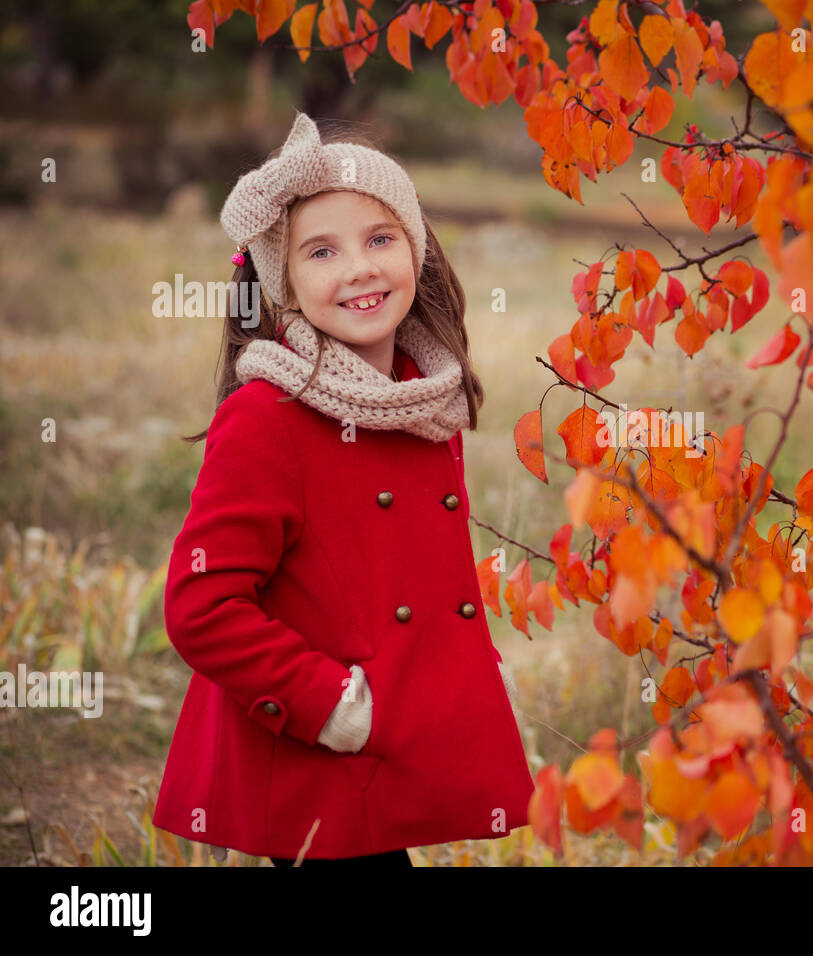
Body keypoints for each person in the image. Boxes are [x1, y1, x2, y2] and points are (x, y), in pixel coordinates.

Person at [151, 111, 533, 867]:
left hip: (386, 750)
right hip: (315, 756)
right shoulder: (267, 417)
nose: (359, 268)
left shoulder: (423, 405)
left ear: (418, 253)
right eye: (321, 251)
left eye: (380, 238)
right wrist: (330, 704)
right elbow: (202, 604)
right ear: (282, 284)